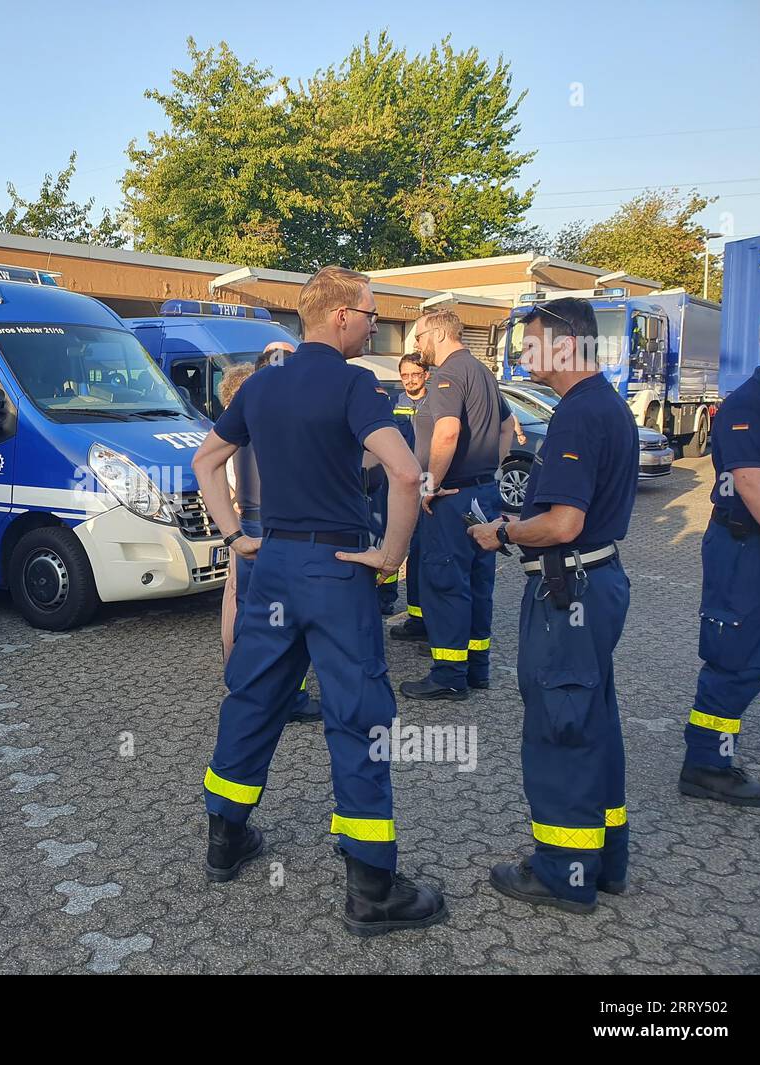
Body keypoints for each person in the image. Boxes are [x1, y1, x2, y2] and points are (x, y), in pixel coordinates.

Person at [191, 266, 446, 937]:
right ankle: (371, 888)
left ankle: (224, 840)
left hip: (271, 562)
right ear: (339, 316)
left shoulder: (264, 384)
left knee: (253, 696)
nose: (373, 322)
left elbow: (204, 461)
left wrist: (233, 535)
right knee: (359, 714)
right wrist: (392, 554)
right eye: (370, 312)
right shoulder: (357, 385)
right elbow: (406, 470)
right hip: (336, 568)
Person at [467, 296, 638, 913]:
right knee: (592, 721)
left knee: (560, 727)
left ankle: (563, 872)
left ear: (565, 344)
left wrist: (505, 532)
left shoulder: (576, 415)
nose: (523, 354)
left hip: (570, 594)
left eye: (531, 342)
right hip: (596, 584)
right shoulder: (604, 405)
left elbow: (564, 524)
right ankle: (605, 860)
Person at [679, 302, 760, 807]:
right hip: (747, 549)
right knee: (734, 659)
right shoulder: (749, 404)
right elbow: (754, 486)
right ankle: (708, 765)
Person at [402, 309, 514, 700]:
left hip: (452, 497)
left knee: (446, 582)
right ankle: (476, 669)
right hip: (484, 493)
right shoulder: (483, 372)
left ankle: (449, 674)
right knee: (478, 582)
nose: (416, 346)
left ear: (435, 334)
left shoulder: (449, 374)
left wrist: (431, 484)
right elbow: (505, 425)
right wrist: (491, 466)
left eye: (418, 338)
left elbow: (447, 434)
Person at [218, 346, 321, 723]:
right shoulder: (287, 413)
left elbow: (210, 463)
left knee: (251, 607)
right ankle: (288, 697)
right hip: (280, 525)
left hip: (250, 523)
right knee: (284, 615)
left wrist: (231, 531)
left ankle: (245, 684)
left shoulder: (246, 412)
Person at [387, 352, 431, 638]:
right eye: (405, 375)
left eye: (416, 374)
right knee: (393, 540)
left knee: (424, 551)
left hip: (428, 482)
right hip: (400, 483)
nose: (410, 380)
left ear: (426, 374)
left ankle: (423, 615)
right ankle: (387, 598)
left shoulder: (438, 401)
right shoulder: (396, 403)